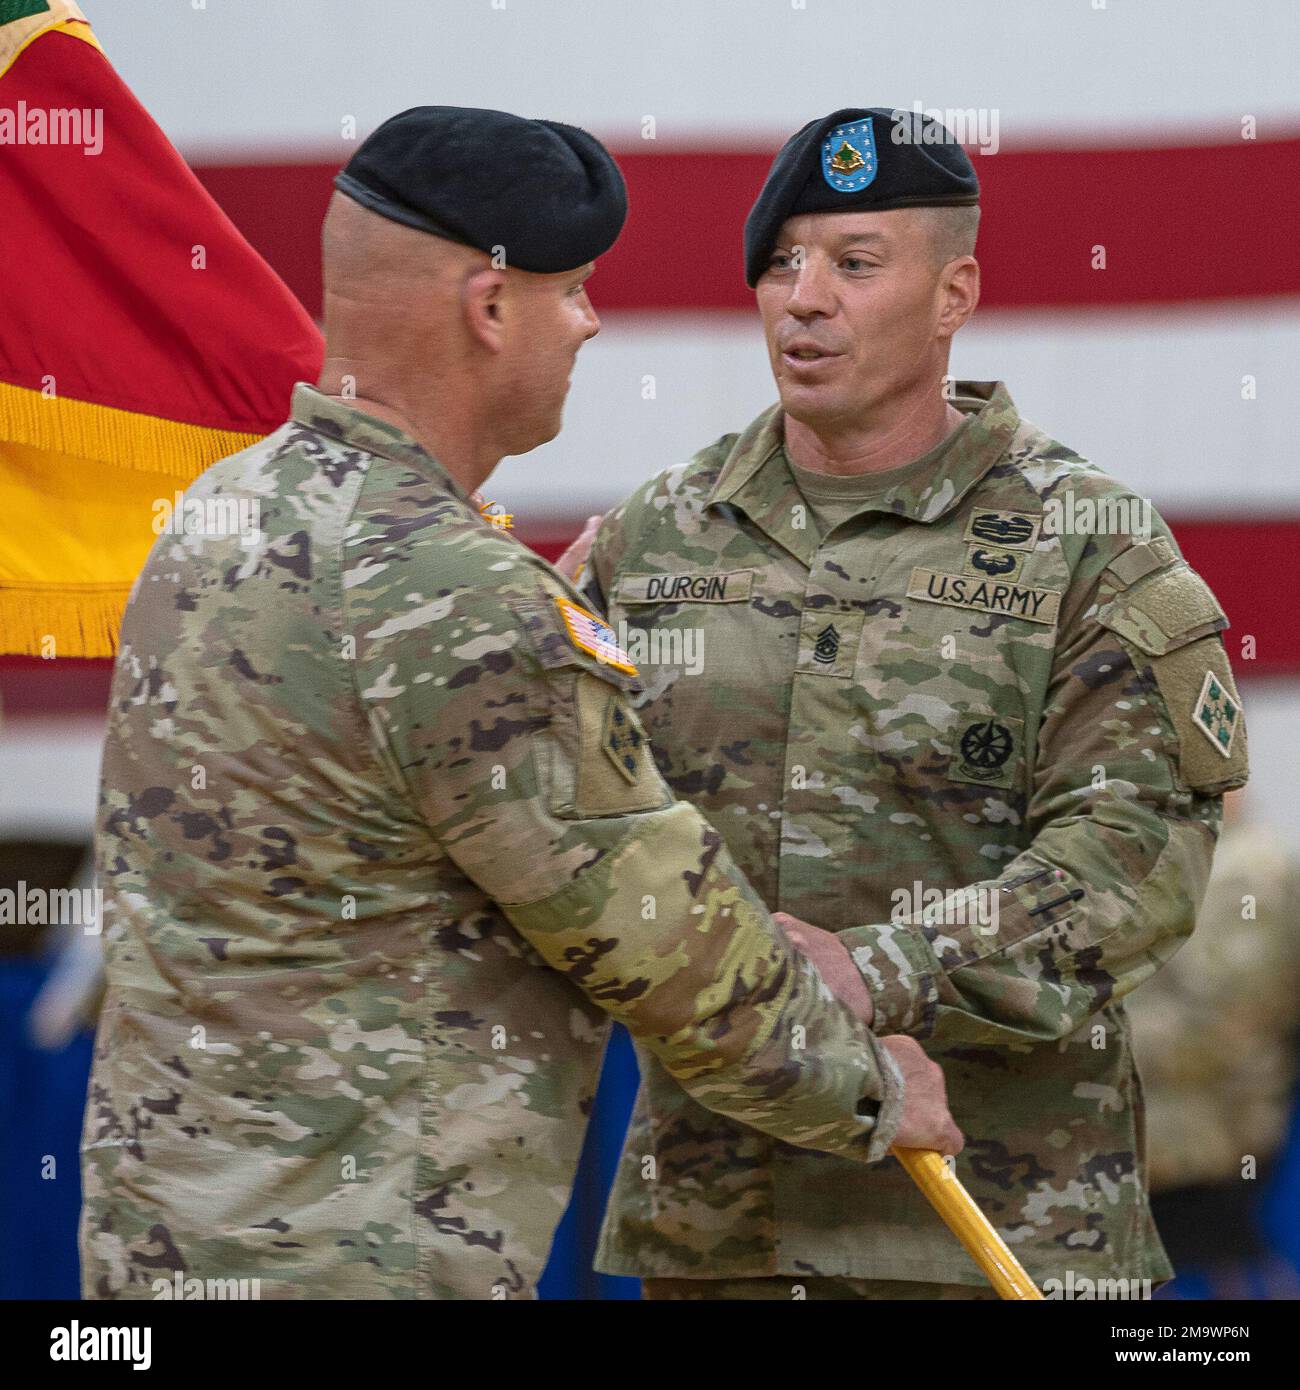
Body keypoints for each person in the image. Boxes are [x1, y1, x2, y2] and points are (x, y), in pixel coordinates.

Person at [78, 106, 960, 1302]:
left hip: (163, 1251)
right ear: (489, 309)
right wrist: (867, 1078)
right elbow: (667, 948)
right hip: (357, 1257)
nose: (592, 320)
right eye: (573, 289)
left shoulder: (221, 511)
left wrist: (537, 622)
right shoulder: (461, 596)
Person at [581, 106, 1250, 1300]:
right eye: (780, 264)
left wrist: (881, 971)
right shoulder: (652, 536)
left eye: (854, 261)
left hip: (994, 1227)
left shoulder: (1083, 539)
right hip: (719, 1226)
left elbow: (1135, 855)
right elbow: (565, 816)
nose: (803, 298)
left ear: (954, 294)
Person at [1127, 790, 1300, 1298]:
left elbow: (1228, 1022)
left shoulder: (1251, 873)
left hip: (1208, 1152)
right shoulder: (1160, 862)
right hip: (1173, 1150)